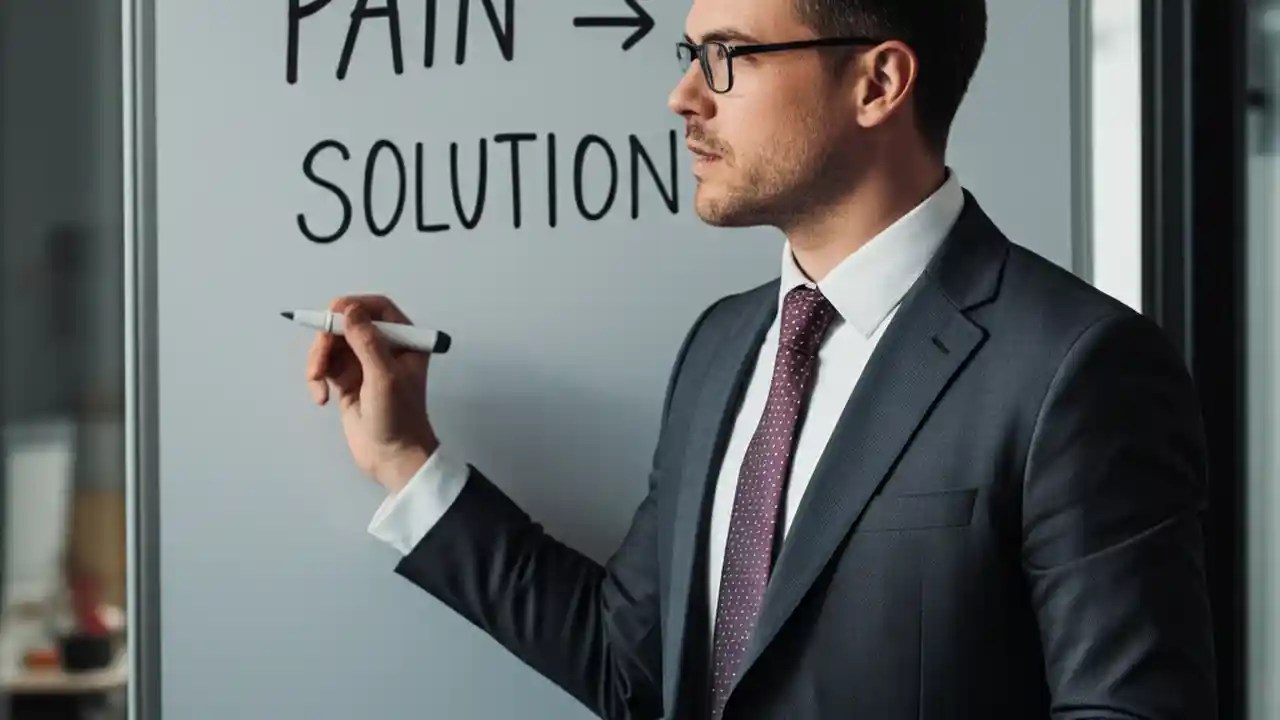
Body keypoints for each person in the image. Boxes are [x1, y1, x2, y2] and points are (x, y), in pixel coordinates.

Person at [304, 0, 1217, 716]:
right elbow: (635, 672)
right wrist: (404, 461)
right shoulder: (723, 346)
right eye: (689, 55)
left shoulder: (1077, 368)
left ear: (878, 83)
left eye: (728, 57)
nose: (684, 96)